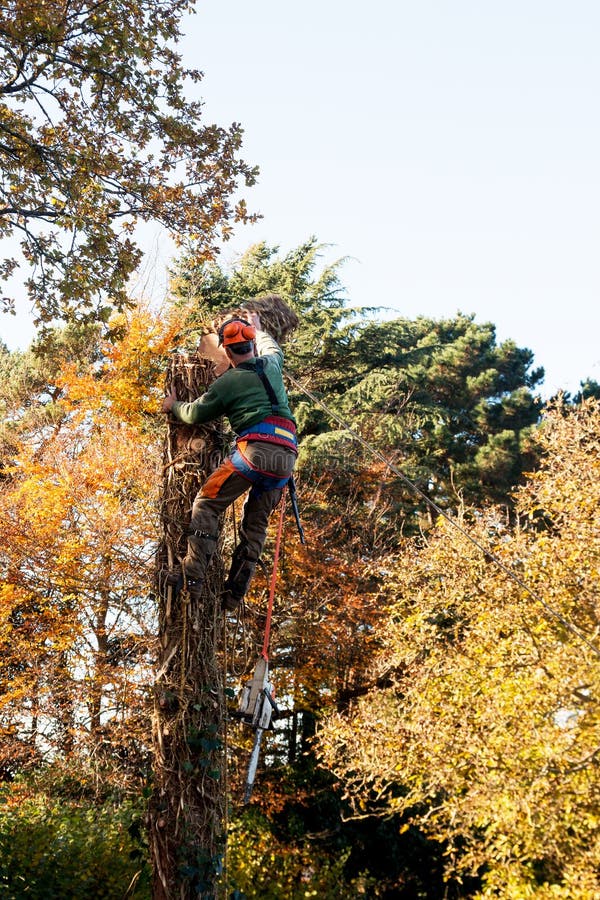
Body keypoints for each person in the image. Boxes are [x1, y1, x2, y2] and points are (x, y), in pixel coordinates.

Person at [161, 311, 297, 611]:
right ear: (252, 345)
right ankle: (233, 596)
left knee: (207, 503)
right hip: (286, 458)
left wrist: (173, 405)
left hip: (255, 452)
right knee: (255, 527)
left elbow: (195, 414)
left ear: (225, 349)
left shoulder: (229, 382)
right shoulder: (272, 363)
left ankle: (191, 576)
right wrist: (259, 329)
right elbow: (272, 346)